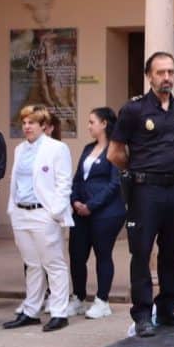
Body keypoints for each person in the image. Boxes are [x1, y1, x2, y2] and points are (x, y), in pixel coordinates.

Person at [109, 52, 174, 337]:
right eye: (160, 72)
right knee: (142, 252)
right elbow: (115, 153)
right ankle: (143, 314)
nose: (166, 77)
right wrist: (138, 171)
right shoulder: (133, 109)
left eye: (170, 72)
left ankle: (168, 307)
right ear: (149, 76)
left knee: (172, 252)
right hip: (145, 190)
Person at [2, 105, 74, 332]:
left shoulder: (57, 148)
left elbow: (64, 183)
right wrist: (13, 209)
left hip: (43, 212)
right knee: (32, 264)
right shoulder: (20, 149)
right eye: (24, 123)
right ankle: (31, 310)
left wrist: (55, 211)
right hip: (21, 212)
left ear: (44, 126)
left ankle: (59, 311)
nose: (26, 127)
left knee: (53, 263)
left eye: (31, 123)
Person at [68, 107, 127, 319]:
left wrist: (91, 205)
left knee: (102, 255)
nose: (89, 126)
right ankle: (78, 298)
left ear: (104, 124)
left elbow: (114, 184)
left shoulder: (115, 149)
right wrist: (74, 200)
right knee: (76, 255)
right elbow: (77, 179)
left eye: (92, 122)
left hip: (106, 213)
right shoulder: (87, 148)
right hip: (80, 211)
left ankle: (102, 301)